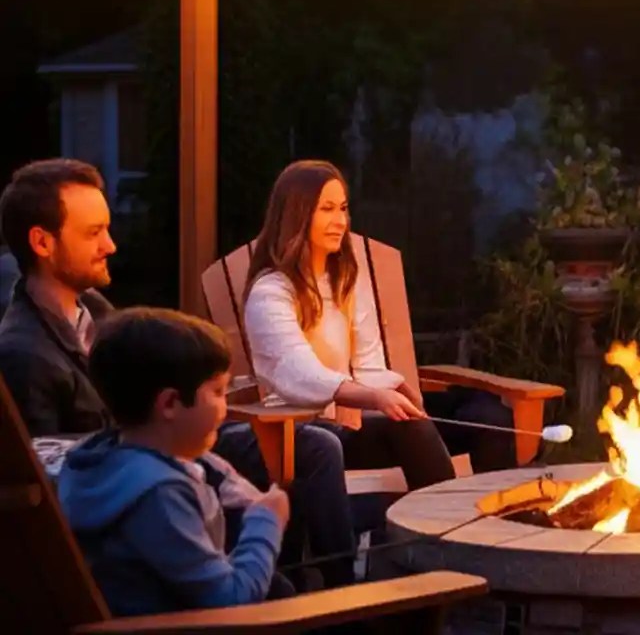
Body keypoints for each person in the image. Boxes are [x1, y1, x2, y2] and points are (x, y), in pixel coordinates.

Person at [0, 159, 359, 588]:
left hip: (163, 448)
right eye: (94, 232)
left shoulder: (94, 311)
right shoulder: (23, 354)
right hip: (139, 489)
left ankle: (332, 588)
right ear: (42, 242)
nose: (111, 245)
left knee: (315, 446)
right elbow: (54, 486)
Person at [239, 159, 514, 494]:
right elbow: (298, 372)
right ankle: (444, 533)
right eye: (326, 209)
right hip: (309, 435)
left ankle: (496, 528)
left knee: (488, 416)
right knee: (409, 427)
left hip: (356, 419)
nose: (340, 221)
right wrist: (369, 398)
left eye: (342, 208)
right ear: (297, 214)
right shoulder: (270, 293)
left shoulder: (346, 281)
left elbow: (370, 364)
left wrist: (392, 392)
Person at [58, 307, 290, 616]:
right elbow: (231, 600)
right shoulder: (158, 493)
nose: (225, 407)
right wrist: (266, 520)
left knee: (280, 585)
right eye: (219, 391)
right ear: (170, 403)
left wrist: (216, 479)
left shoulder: (104, 461)